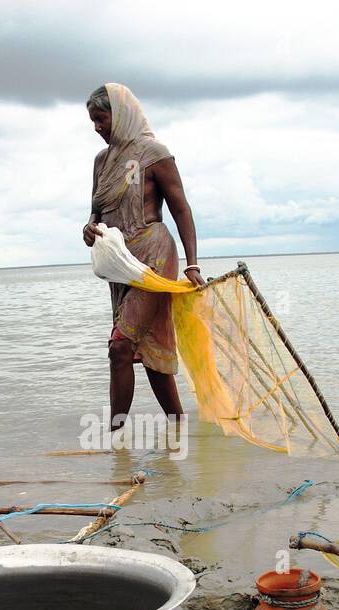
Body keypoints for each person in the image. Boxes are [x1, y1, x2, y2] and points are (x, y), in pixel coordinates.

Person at [83, 82, 206, 432]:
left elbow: (181, 209)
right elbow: (96, 212)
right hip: (120, 262)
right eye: (92, 121)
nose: (97, 128)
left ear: (120, 115)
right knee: (149, 353)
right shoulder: (101, 162)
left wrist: (192, 264)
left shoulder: (154, 153)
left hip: (154, 255)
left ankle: (114, 436)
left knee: (120, 348)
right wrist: (89, 229)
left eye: (102, 118)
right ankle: (179, 429)